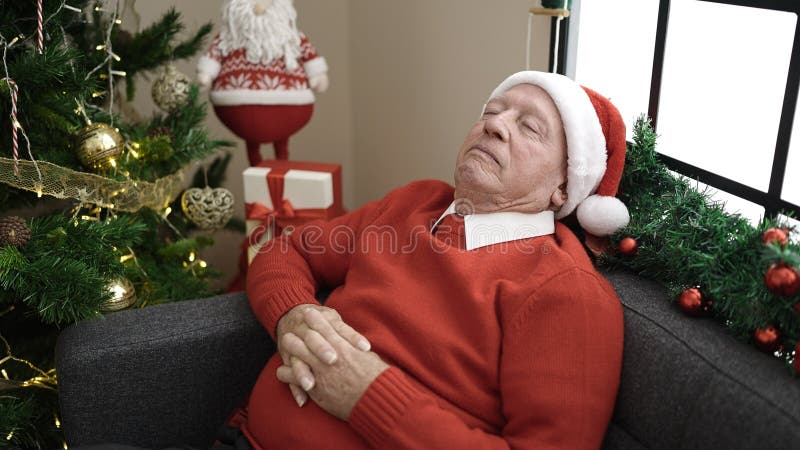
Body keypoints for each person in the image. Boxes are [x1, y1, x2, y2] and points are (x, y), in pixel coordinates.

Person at [74, 70, 628, 450]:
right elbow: (283, 250)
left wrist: (367, 395)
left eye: (529, 127)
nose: (495, 124)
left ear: (564, 188)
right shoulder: (415, 204)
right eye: (492, 110)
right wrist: (294, 314)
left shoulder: (565, 292)